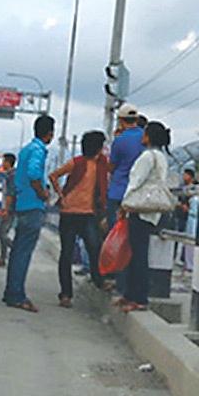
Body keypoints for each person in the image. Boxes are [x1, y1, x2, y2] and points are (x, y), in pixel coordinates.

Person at [117, 121, 172, 312]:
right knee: (139, 252)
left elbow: (135, 182)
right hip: (152, 210)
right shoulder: (162, 157)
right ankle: (133, 295)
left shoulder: (147, 157)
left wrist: (124, 204)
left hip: (139, 209)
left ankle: (138, 297)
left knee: (137, 254)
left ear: (149, 136)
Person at [48, 131, 108, 307]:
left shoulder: (100, 163)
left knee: (94, 247)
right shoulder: (77, 162)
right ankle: (65, 294)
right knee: (67, 253)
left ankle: (97, 279)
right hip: (70, 213)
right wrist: (61, 195)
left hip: (87, 213)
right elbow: (53, 175)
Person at [2, 114, 55, 312]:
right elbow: (34, 174)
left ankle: (11, 292)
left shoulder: (25, 150)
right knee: (24, 252)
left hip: (21, 204)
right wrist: (42, 193)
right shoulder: (38, 151)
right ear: (49, 134)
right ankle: (17, 295)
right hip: (33, 205)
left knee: (17, 251)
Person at [105, 103, 145, 293]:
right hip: (138, 198)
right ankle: (132, 287)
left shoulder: (119, 141)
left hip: (118, 194)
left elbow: (111, 167)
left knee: (118, 241)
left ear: (120, 120)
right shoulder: (145, 138)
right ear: (136, 119)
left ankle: (120, 284)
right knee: (135, 242)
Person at [0, 153, 16, 268]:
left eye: (3, 161)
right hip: (9, 208)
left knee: (1, 233)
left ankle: (15, 249)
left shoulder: (11, 176)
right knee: (2, 233)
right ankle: (2, 258)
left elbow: (10, 194)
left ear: (8, 162)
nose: (2, 163)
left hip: (10, 210)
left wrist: (6, 210)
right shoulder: (10, 174)